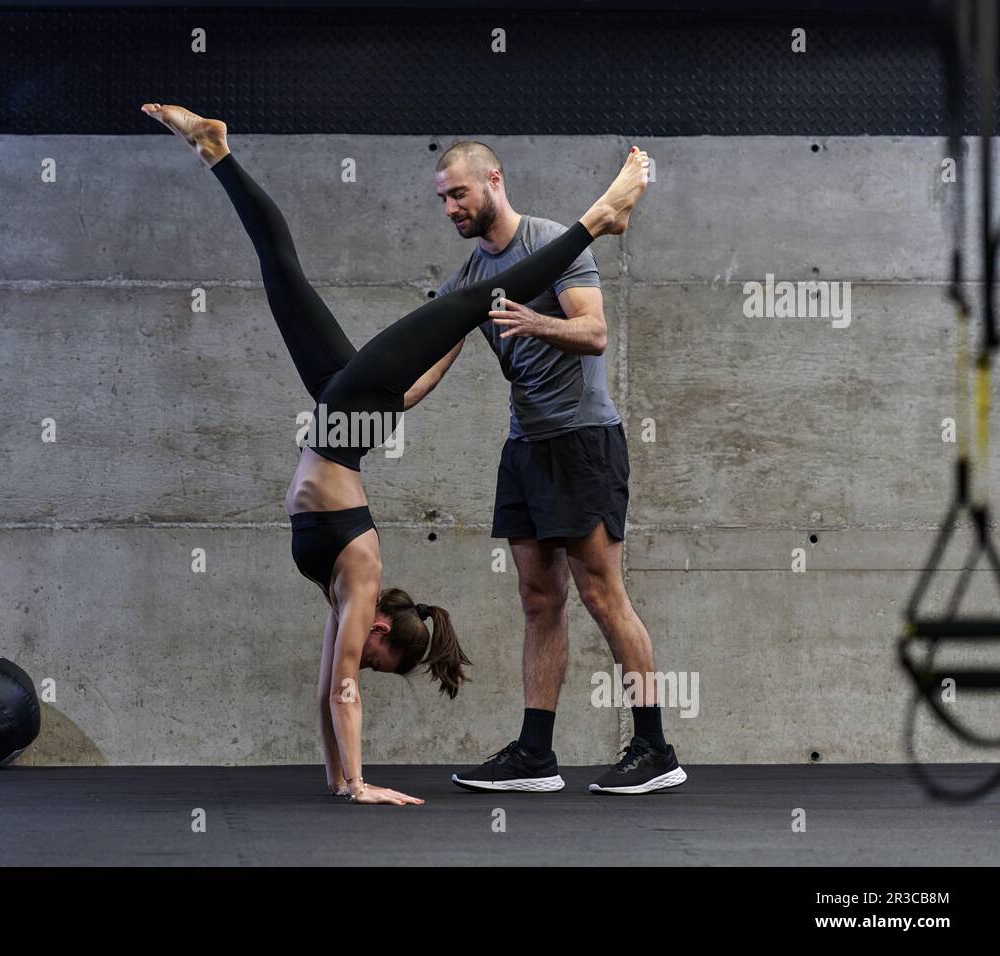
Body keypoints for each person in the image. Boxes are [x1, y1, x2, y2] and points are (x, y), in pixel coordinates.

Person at [142, 103, 649, 803]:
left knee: (280, 273)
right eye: (383, 658)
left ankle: (215, 150)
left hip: (350, 409)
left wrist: (339, 778)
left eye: (453, 195)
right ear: (384, 627)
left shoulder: (348, 589)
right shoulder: (361, 573)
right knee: (476, 300)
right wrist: (358, 785)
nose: (367, 663)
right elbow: (345, 687)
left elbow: (329, 684)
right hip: (361, 405)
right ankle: (605, 214)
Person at [418, 141, 685, 795]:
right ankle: (536, 754)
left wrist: (535, 322)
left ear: (493, 181)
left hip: (582, 439)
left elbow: (594, 333)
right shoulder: (465, 282)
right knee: (540, 601)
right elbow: (430, 365)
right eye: (443, 199)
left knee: (602, 594)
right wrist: (362, 410)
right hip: (526, 448)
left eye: (460, 193)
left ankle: (655, 747)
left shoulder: (552, 244)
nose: (451, 207)